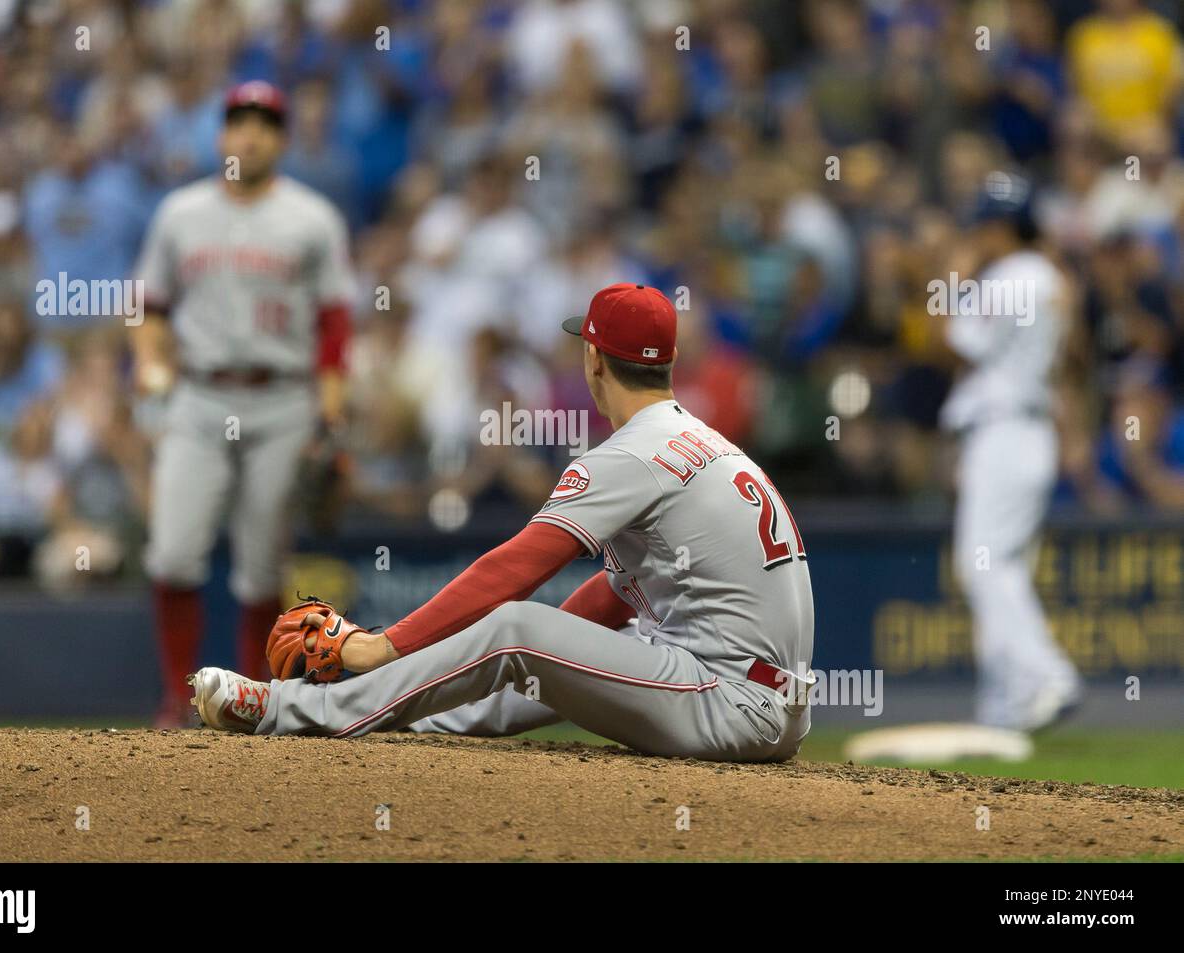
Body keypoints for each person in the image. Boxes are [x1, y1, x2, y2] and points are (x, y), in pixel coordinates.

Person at [188, 283, 815, 763]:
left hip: (730, 702)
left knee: (516, 627)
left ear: (594, 360)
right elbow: (610, 597)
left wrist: (383, 646)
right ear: (667, 363)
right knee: (524, 650)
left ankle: (290, 708)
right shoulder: (701, 442)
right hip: (759, 700)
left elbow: (515, 568)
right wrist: (479, 662)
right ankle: (391, 715)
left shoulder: (630, 454)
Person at [132, 81, 354, 727]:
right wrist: (151, 362)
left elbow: (335, 325)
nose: (248, 134)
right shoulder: (180, 213)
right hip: (199, 394)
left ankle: (254, 700)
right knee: (173, 552)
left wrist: (332, 412)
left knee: (260, 570)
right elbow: (150, 305)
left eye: (263, 123)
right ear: (220, 135)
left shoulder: (312, 218)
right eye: (238, 122)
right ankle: (179, 695)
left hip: (280, 397)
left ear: (281, 140)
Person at [940, 172, 1081, 732]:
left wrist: (951, 272)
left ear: (1002, 227)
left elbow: (951, 344)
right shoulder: (1048, 275)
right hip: (1031, 430)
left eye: (986, 224)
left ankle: (1047, 676)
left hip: (1004, 433)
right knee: (1003, 566)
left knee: (983, 566)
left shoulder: (1003, 276)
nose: (980, 233)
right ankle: (1004, 705)